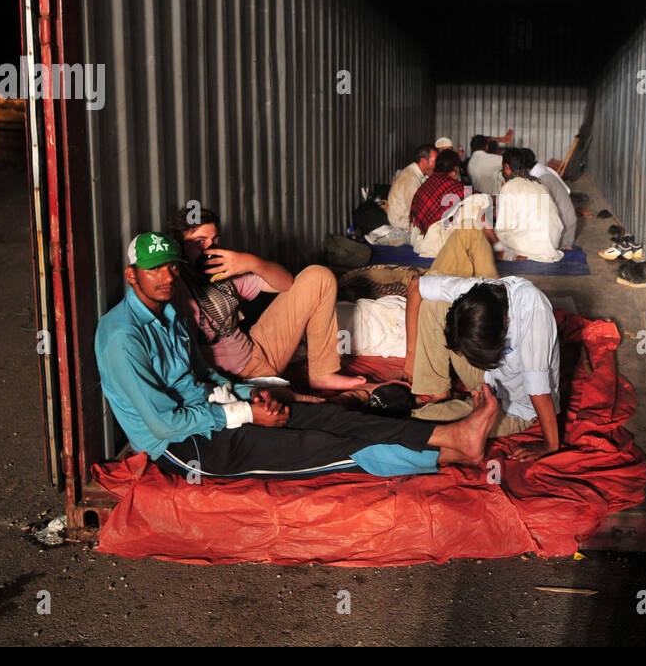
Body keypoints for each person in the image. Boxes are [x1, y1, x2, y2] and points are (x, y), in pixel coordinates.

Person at [95, 232, 498, 479]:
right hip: (185, 447)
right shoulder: (121, 338)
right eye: (154, 270)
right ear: (132, 275)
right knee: (318, 445)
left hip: (218, 408)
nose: (166, 278)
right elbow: (164, 425)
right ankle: (450, 450)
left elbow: (204, 375)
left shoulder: (171, 313)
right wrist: (245, 415)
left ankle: (452, 436)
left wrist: (245, 396)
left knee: (330, 416)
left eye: (171, 268)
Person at [165, 205, 364, 390]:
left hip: (259, 349)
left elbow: (286, 283)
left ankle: (323, 374)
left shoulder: (223, 277)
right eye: (199, 242)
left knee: (318, 276)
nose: (209, 249)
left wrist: (252, 263)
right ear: (179, 247)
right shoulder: (175, 287)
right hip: (237, 376)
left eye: (215, 240)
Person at [403, 260, 562, 461]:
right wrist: (411, 357)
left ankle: (433, 413)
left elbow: (538, 390)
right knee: (433, 305)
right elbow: (416, 286)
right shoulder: (480, 293)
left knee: (414, 424)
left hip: (513, 405)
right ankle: (435, 390)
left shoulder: (533, 311)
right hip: (487, 375)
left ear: (505, 325)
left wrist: (551, 445)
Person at [493, 147, 563, 263]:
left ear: (506, 167)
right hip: (553, 241)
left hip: (532, 245)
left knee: (490, 239)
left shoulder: (509, 186)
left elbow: (503, 226)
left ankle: (515, 255)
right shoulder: (539, 184)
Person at [525, 147, 576, 250]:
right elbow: (567, 191)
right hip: (568, 223)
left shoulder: (540, 179)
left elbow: (541, 213)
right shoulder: (544, 170)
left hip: (563, 234)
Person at [409, 148, 467, 238]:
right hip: (437, 242)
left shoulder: (428, 183)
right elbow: (476, 197)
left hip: (418, 238)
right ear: (455, 169)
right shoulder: (452, 186)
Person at [386, 144, 436, 233]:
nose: (436, 165)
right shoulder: (410, 179)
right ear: (424, 161)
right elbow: (419, 212)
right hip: (402, 224)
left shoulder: (418, 174)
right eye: (434, 161)